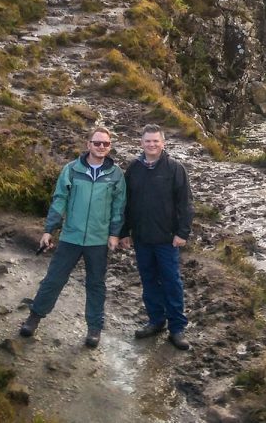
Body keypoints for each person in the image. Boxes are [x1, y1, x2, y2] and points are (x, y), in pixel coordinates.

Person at [19, 127, 125, 348]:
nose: (101, 147)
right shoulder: (72, 169)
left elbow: (118, 207)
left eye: (105, 144)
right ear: (88, 144)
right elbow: (59, 200)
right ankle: (34, 318)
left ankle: (94, 329)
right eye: (97, 143)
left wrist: (115, 234)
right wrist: (49, 230)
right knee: (54, 279)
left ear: (110, 146)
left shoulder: (116, 175)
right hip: (70, 238)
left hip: (98, 241)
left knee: (96, 285)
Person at [119, 124, 194, 350]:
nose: (152, 145)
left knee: (172, 282)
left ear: (163, 143)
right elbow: (126, 204)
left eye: (156, 141)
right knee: (148, 280)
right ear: (141, 143)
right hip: (141, 238)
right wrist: (124, 232)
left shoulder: (175, 168)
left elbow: (186, 203)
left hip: (167, 239)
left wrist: (183, 233)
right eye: (148, 141)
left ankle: (177, 328)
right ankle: (156, 321)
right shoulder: (133, 168)